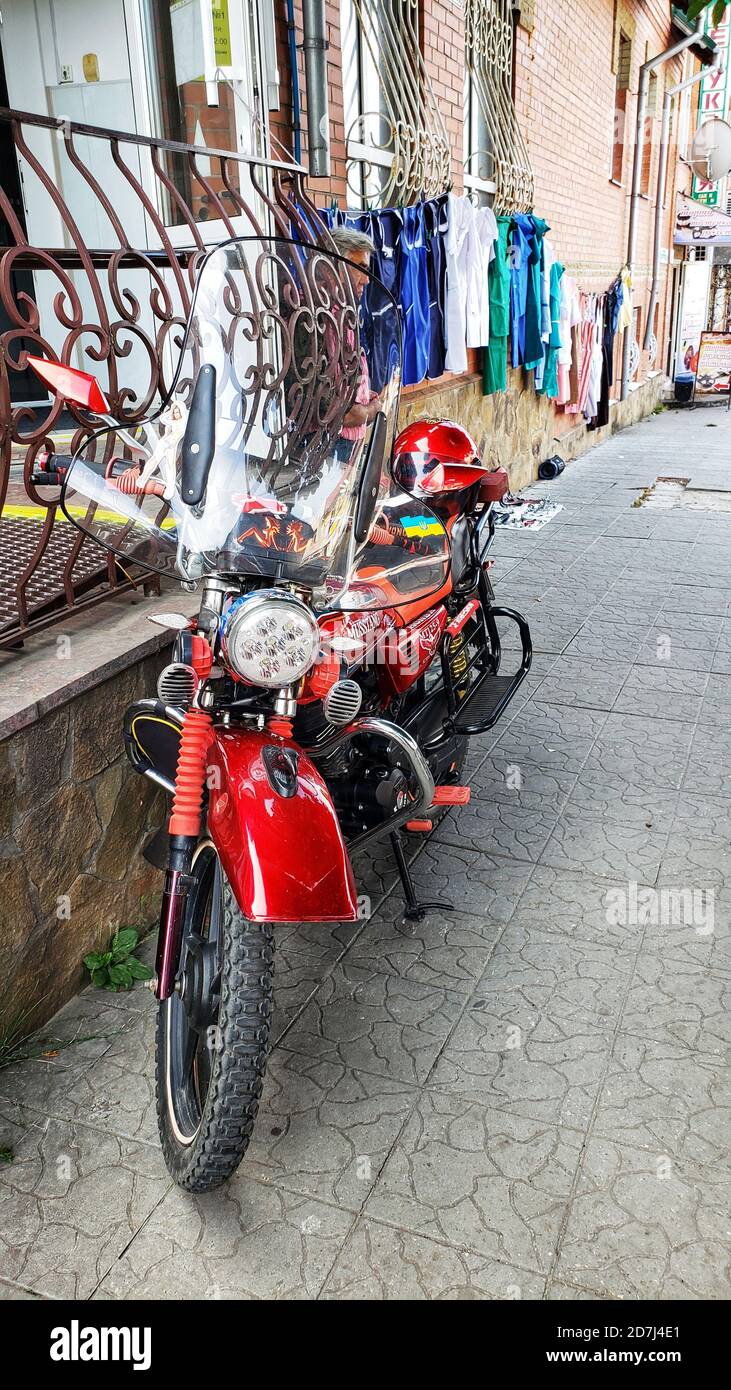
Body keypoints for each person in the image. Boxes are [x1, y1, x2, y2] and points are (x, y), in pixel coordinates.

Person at [328, 226, 384, 458]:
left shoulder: (345, 314)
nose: (367, 280)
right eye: (359, 268)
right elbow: (342, 413)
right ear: (334, 266)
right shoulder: (324, 319)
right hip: (332, 445)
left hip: (347, 442)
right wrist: (370, 410)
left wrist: (364, 395)